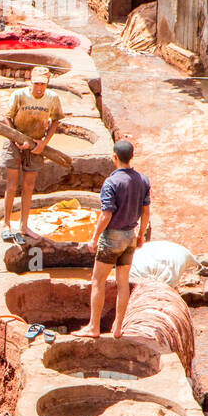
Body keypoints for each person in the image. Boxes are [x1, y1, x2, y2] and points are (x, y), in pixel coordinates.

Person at [76, 140, 151, 338]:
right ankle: (118, 328)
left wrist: (94, 238)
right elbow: (146, 211)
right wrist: (141, 234)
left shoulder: (111, 182)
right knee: (123, 283)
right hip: (130, 236)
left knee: (97, 280)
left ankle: (94, 327)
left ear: (115, 157)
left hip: (112, 238)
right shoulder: (143, 180)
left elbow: (106, 214)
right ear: (131, 157)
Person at [0, 66, 64, 239]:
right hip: (15, 142)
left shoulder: (52, 99)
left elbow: (56, 120)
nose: (39, 87)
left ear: (47, 83)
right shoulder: (19, 95)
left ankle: (24, 225)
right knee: (12, 185)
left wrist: (43, 143)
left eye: (42, 84)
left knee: (28, 186)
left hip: (36, 145)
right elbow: (7, 117)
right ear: (30, 82)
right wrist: (15, 138)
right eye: (36, 83)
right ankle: (6, 224)